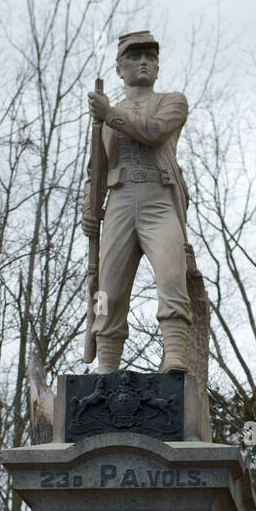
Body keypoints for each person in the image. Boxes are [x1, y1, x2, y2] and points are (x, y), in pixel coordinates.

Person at [83, 30, 192, 373]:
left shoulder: (172, 101)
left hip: (158, 200)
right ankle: (107, 365)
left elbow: (155, 131)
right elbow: (96, 170)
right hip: (118, 202)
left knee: (172, 278)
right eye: (134, 57)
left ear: (158, 67)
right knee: (107, 292)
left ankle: (174, 354)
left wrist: (110, 114)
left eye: (150, 57)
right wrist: (89, 206)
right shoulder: (104, 118)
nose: (143, 62)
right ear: (119, 68)